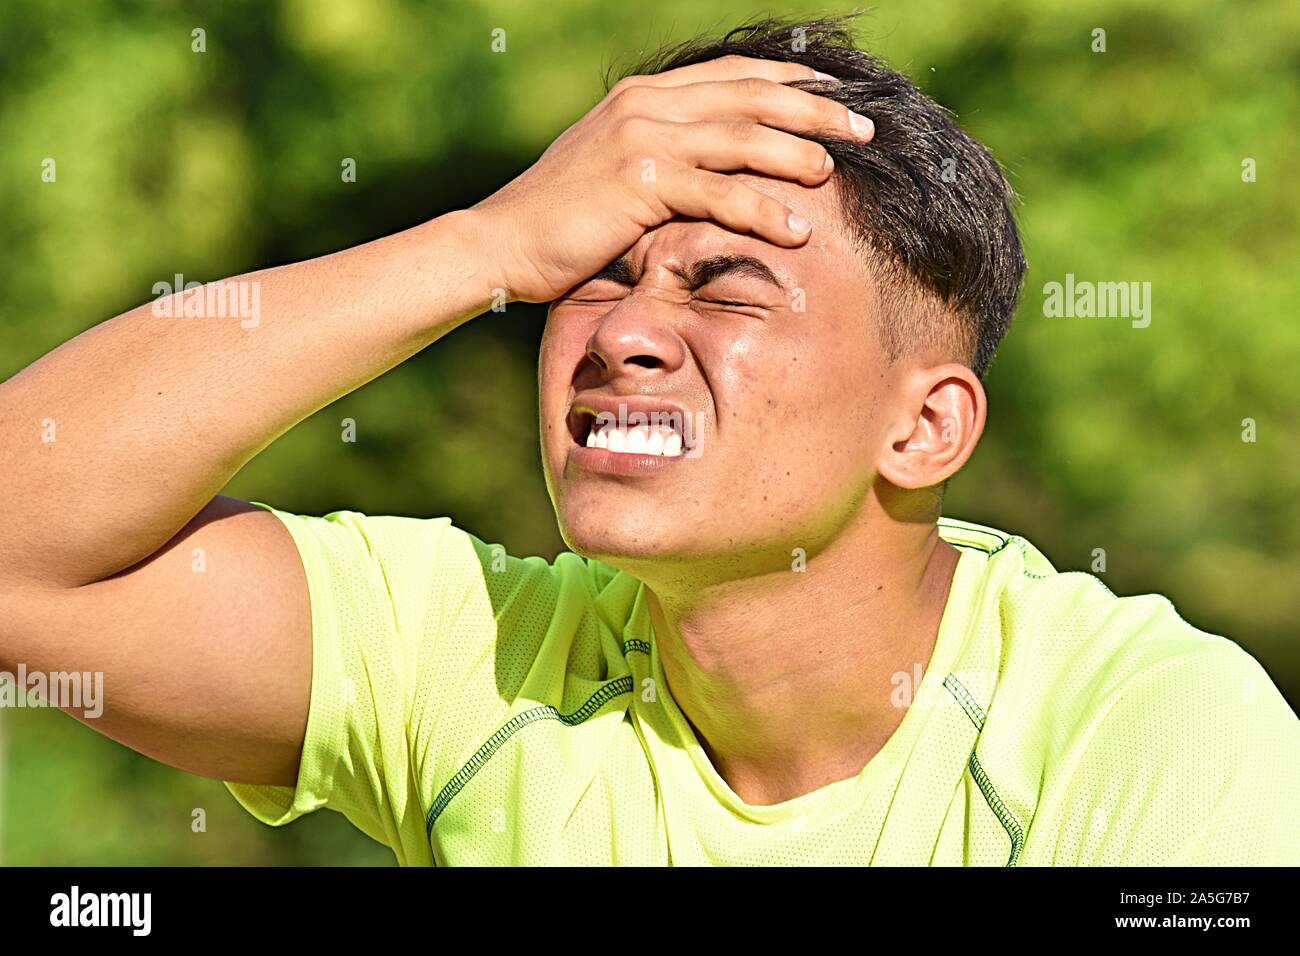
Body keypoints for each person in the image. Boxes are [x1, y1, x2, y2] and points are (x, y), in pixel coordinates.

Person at [1, 15, 1296, 866]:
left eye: (727, 290)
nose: (624, 332)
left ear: (926, 426)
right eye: (594, 276)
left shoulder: (1142, 730)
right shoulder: (479, 657)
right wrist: (487, 244)